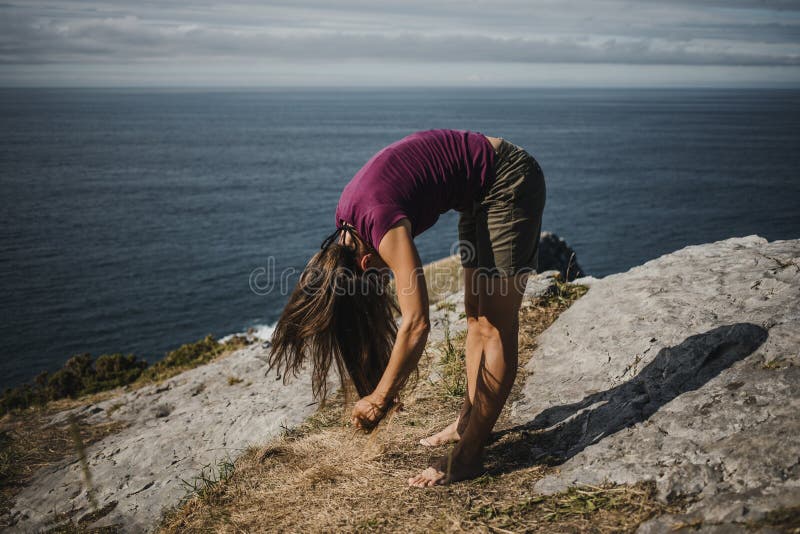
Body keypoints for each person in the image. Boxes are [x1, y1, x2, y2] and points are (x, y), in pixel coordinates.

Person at [268, 128, 546, 487]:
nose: (386, 277)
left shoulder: (380, 224)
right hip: (478, 191)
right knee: (476, 313)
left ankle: (469, 456)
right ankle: (467, 423)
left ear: (365, 264)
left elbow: (416, 324)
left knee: (495, 325)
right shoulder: (346, 226)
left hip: (508, 179)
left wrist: (380, 398)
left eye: (378, 275)